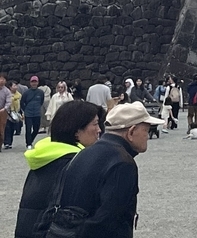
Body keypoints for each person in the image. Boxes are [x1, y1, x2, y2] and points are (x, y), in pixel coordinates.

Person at [54, 101, 164, 238]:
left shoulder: (85, 152)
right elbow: (110, 219)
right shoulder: (122, 163)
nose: (147, 136)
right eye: (146, 130)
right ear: (131, 132)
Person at [15, 100, 102, 238]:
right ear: (77, 132)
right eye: (95, 124)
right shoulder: (77, 164)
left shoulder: (44, 157)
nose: (99, 130)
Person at [20, 77, 45, 148]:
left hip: (37, 113)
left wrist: (38, 108)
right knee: (28, 129)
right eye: (32, 82)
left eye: (35, 82)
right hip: (28, 113)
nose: (34, 83)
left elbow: (41, 101)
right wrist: (25, 110)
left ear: (37, 83)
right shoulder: (26, 93)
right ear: (30, 83)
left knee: (36, 129)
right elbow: (22, 102)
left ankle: (30, 140)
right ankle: (28, 144)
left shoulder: (40, 92)